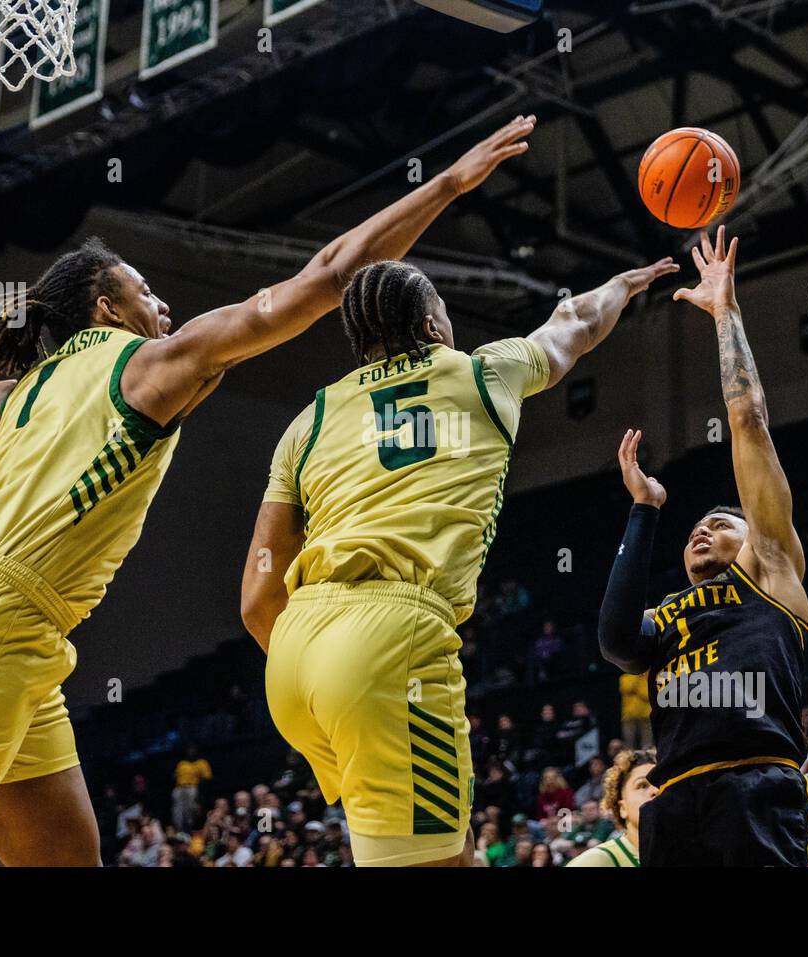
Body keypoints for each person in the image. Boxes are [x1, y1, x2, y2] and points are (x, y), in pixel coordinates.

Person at [0, 119, 533, 868]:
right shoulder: (148, 365)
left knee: (65, 855)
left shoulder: (23, 393)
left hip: (20, 635)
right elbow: (328, 278)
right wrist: (447, 184)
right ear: (105, 310)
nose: (162, 307)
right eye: (145, 291)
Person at [239, 198, 678, 868]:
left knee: (441, 853)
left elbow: (255, 598)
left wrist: (323, 660)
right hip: (388, 640)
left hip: (295, 654)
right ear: (428, 320)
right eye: (441, 303)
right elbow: (573, 323)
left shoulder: (310, 419)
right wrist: (623, 284)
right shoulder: (482, 372)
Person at [596, 226, 808, 866]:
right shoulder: (665, 619)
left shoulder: (768, 574)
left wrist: (726, 313)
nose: (703, 528)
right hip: (676, 801)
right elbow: (614, 642)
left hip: (756, 786)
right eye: (698, 526)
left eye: (724, 523)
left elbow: (747, 420)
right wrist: (643, 512)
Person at [567, 749, 659, 867]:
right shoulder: (595, 861)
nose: (656, 790)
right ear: (622, 808)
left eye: (661, 783)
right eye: (642, 785)